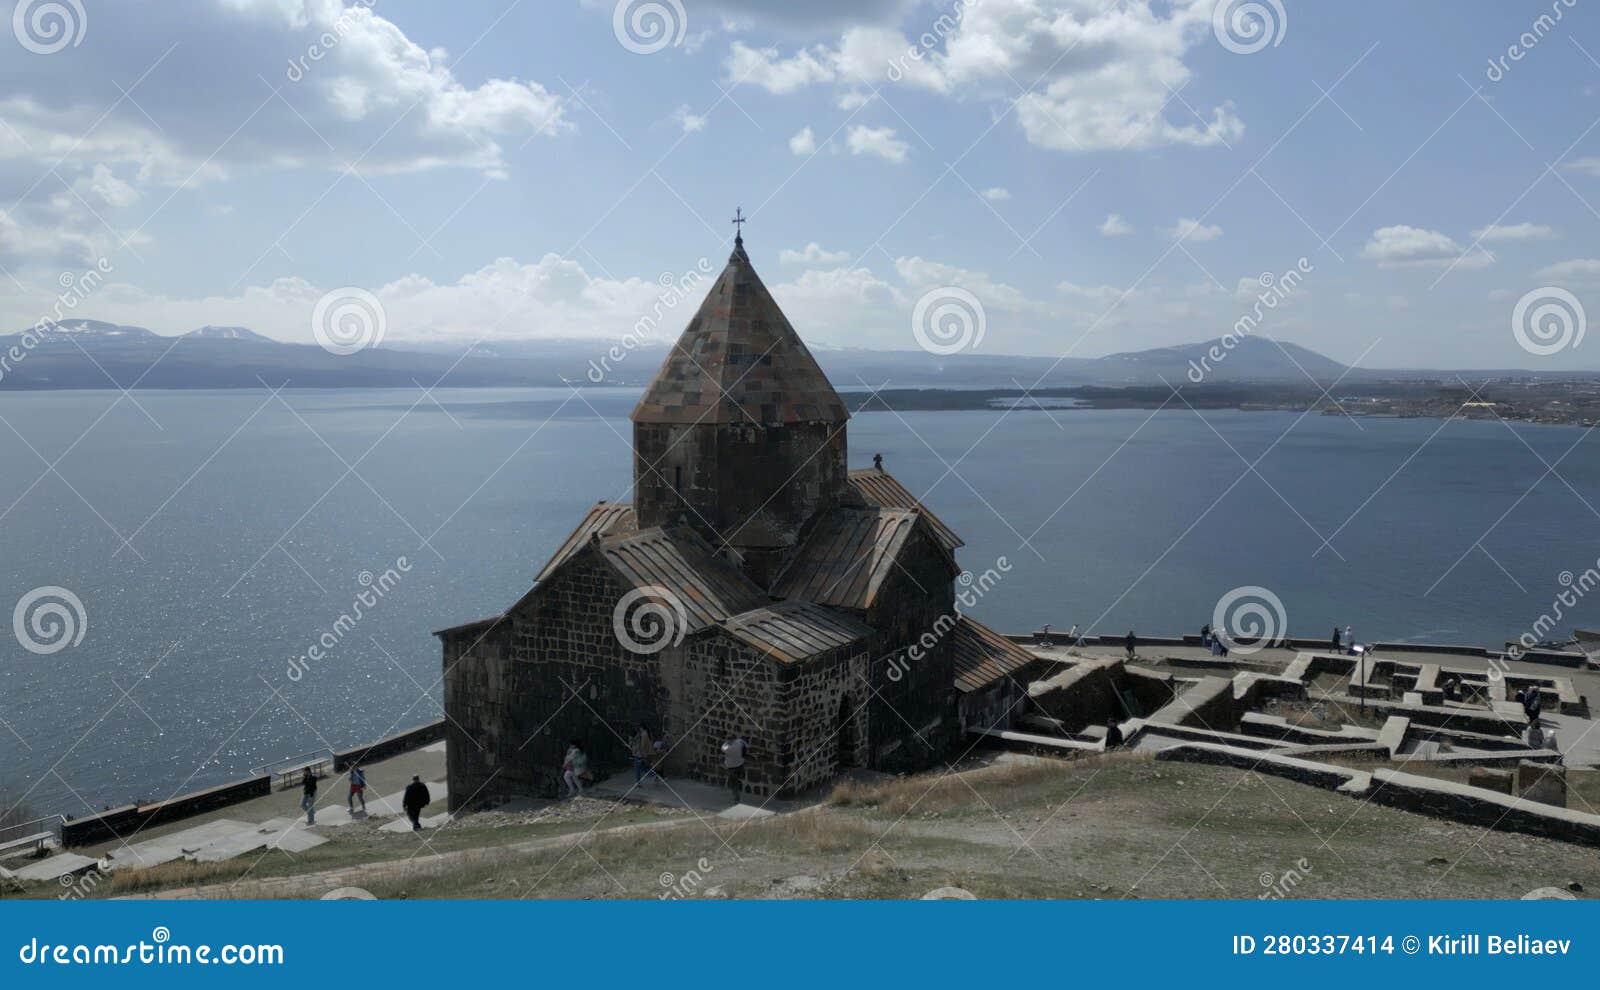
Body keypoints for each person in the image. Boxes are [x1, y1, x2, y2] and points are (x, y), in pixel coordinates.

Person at [721, 734, 748, 805]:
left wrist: (726, 743)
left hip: (732, 768)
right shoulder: (740, 742)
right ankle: (737, 796)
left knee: (733, 783)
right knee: (736, 781)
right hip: (740, 764)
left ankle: (736, 799)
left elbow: (723, 748)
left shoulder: (729, 748)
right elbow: (745, 744)